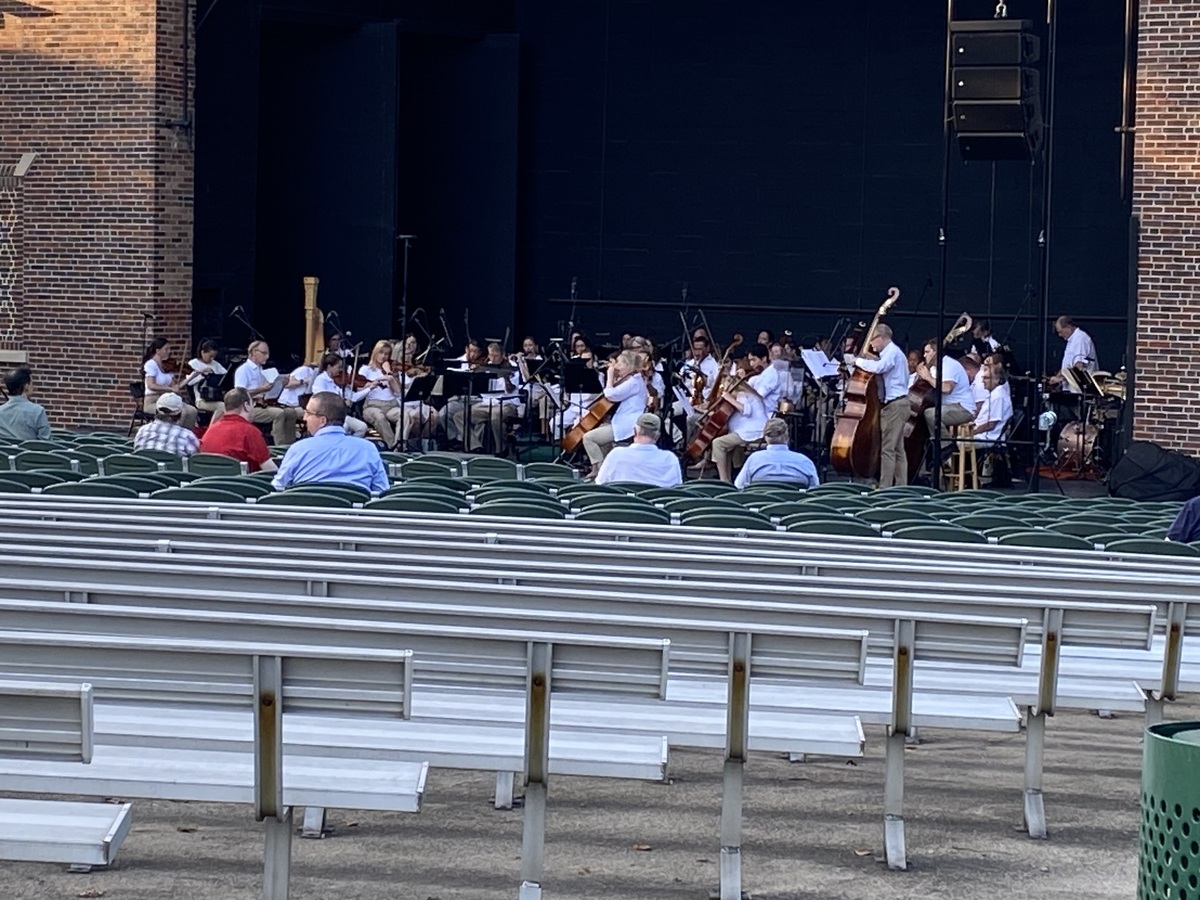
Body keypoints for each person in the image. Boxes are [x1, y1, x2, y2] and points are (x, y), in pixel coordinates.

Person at [272, 391, 388, 492]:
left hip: (307, 510)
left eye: (308, 413)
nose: (304, 418)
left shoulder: (298, 449)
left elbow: (278, 487)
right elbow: (381, 490)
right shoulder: (368, 449)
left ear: (323, 420)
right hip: (352, 510)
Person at [710, 343, 782, 483]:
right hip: (748, 421)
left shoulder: (771, 375)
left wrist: (736, 389)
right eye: (750, 361)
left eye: (754, 360)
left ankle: (725, 480)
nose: (751, 364)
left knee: (719, 443)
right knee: (721, 435)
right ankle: (730, 474)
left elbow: (756, 397)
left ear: (764, 358)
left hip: (761, 421)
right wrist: (731, 380)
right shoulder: (755, 378)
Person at [852, 324, 910, 488]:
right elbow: (880, 363)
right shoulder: (892, 353)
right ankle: (901, 486)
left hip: (895, 405)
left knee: (888, 449)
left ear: (882, 338)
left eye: (872, 340)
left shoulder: (892, 352)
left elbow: (880, 367)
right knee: (898, 449)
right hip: (899, 404)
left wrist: (858, 361)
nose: (871, 344)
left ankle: (885, 487)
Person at [581, 349, 648, 474]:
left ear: (629, 366)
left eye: (619, 363)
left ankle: (599, 470)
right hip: (621, 421)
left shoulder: (633, 382)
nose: (616, 366)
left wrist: (610, 377)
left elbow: (611, 395)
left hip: (626, 424)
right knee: (601, 433)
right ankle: (604, 468)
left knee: (589, 438)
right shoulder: (632, 379)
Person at [232, 341, 298, 445]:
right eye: (264, 353)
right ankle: (279, 446)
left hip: (263, 403)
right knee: (278, 414)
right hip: (248, 407)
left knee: (291, 412)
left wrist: (280, 384)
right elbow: (239, 393)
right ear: (254, 352)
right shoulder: (243, 370)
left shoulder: (261, 369)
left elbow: (268, 391)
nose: (267, 357)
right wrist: (260, 389)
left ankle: (290, 444)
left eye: (267, 353)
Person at [198, 388, 277, 473]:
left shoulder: (210, 430)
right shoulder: (250, 432)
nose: (253, 407)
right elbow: (271, 470)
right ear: (246, 405)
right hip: (243, 480)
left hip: (209, 480)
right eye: (252, 403)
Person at [916, 337, 976, 446]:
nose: (924, 355)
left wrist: (928, 378)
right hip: (948, 406)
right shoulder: (934, 368)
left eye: (927, 352)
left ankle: (946, 446)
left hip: (962, 408)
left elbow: (947, 389)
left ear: (936, 353)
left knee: (931, 414)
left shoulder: (949, 365)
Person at [595, 413, 682, 487]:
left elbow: (600, 484)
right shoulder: (670, 458)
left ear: (634, 431)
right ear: (657, 436)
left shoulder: (616, 454)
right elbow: (677, 488)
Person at [734, 417, 819, 489]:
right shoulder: (804, 461)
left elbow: (739, 486)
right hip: (796, 503)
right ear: (787, 436)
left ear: (766, 438)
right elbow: (815, 489)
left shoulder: (753, 460)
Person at [467, 343, 521, 454]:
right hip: (488, 403)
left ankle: (501, 449)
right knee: (460, 416)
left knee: (496, 417)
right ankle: (475, 446)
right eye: (491, 355)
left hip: (507, 403)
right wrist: (476, 373)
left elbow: (510, 390)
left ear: (503, 355)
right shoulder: (487, 365)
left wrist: (505, 377)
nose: (493, 358)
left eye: (496, 356)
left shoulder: (511, 366)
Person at [357, 340, 405, 447]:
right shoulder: (366, 369)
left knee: (405, 415)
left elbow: (398, 392)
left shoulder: (391, 370)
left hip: (391, 405)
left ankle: (400, 444)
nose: (383, 356)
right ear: (375, 352)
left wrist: (389, 374)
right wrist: (371, 384)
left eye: (386, 354)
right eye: (381, 352)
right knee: (379, 417)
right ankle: (393, 445)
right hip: (373, 405)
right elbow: (359, 390)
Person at [142, 337, 198, 429]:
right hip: (153, 401)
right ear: (158, 351)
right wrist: (169, 388)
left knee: (192, 411)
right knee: (182, 412)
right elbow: (151, 385)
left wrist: (191, 377)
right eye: (166, 349)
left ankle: (186, 433)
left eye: (169, 349)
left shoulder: (168, 365)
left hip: (168, 399)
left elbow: (175, 387)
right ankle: (175, 433)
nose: (169, 352)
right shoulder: (150, 364)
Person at [311, 353, 370, 438]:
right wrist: (341, 402)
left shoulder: (337, 381)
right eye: (338, 367)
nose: (340, 370)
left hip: (340, 415)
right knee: (344, 427)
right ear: (329, 367)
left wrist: (369, 388)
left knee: (362, 427)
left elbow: (353, 397)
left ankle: (349, 444)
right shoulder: (320, 380)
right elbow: (321, 399)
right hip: (328, 416)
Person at [133, 392, 200, 458]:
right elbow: (195, 459)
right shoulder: (187, 436)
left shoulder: (142, 431)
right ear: (180, 414)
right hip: (174, 465)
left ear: (156, 411)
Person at [0, 366, 51, 441]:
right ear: (26, 386)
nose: (33, 386)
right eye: (32, 383)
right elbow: (46, 442)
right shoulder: (38, 411)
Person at [1049, 316, 1098, 392]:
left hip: (1081, 390)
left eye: (1061, 332)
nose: (1060, 335)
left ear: (1068, 327)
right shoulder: (1072, 340)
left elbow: (1079, 366)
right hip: (1072, 389)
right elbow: (1068, 365)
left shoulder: (1080, 339)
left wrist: (1060, 379)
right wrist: (1057, 376)